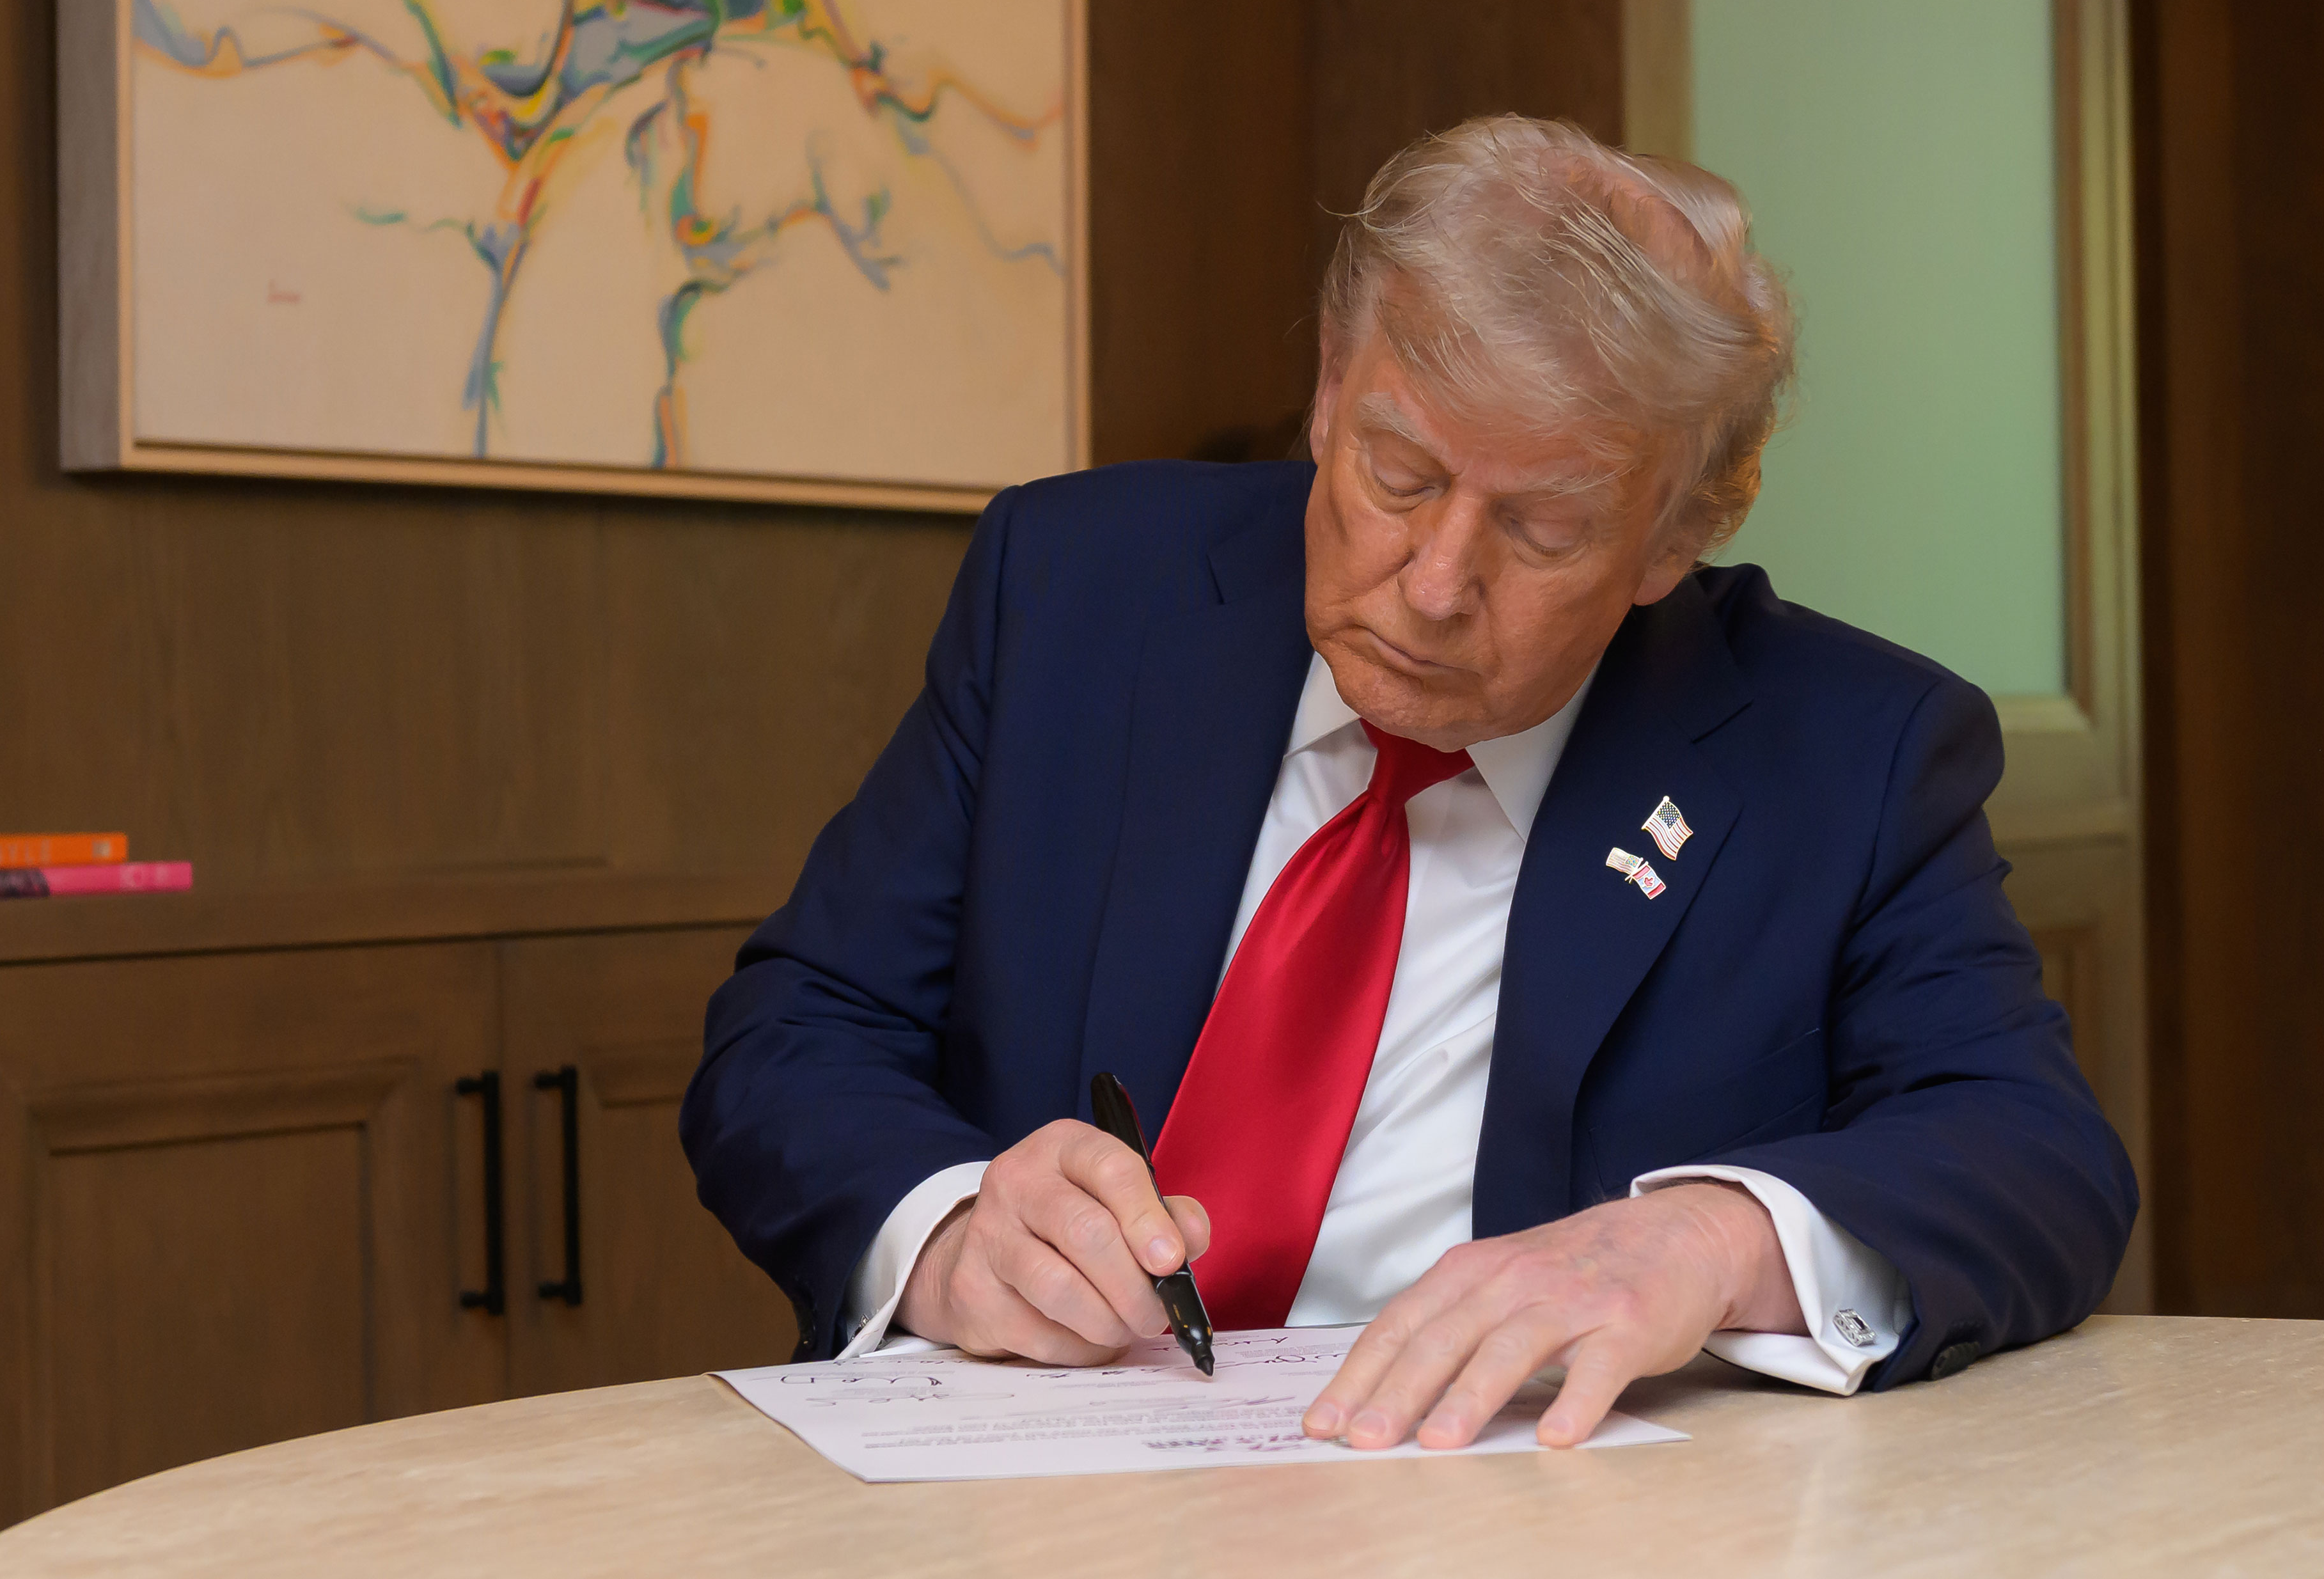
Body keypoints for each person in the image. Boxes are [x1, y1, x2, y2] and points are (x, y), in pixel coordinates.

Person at [682, 114, 2136, 1452]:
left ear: (1673, 536)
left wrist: (1704, 1241)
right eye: (1399, 472)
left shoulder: (1846, 750)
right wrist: (945, 1234)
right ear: (1328, 387)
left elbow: (2036, 1155)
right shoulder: (1076, 594)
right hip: (1036, 1496)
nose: (1437, 585)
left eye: (1545, 527)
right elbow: (796, 1031)